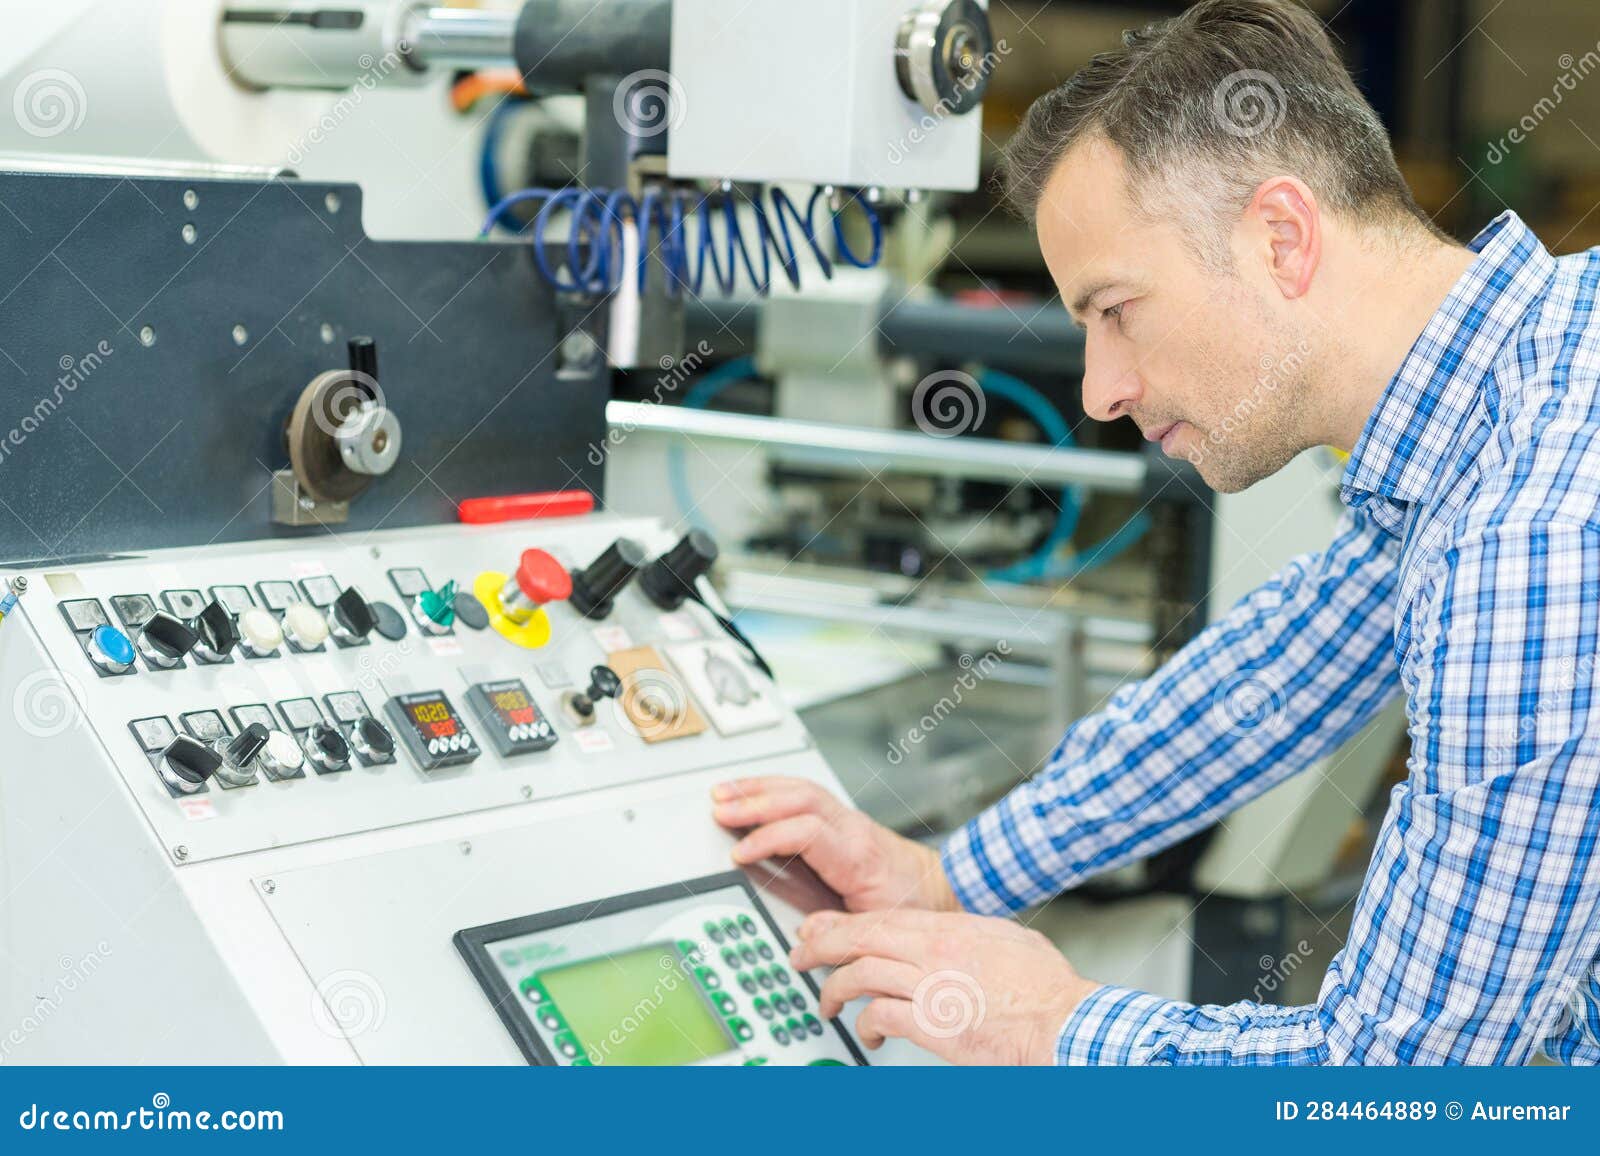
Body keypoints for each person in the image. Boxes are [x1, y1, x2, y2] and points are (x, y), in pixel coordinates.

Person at [712, 0, 1600, 1065]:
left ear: (1281, 237)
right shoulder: (1522, 381)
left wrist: (1053, 1021)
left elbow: (1399, 1089)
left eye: (1115, 310)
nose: (1097, 391)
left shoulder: (1531, 530)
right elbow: (1280, 670)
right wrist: (948, 876)